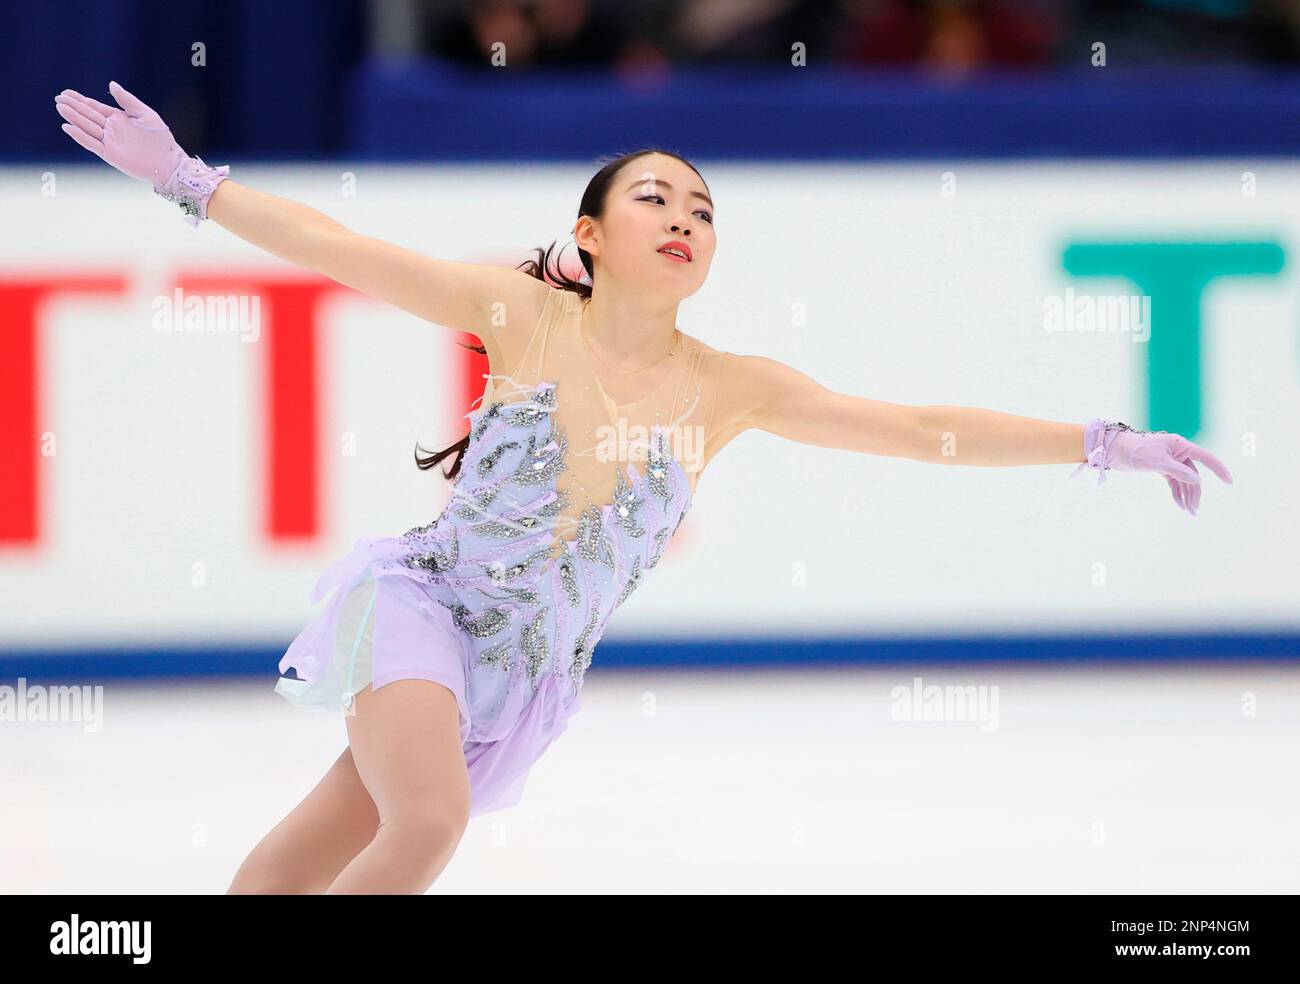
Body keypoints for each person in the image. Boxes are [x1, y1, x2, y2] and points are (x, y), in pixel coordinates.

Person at [54, 81, 1233, 894]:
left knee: (304, 859)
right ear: (594, 232)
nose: (684, 218)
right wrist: (194, 184)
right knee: (425, 824)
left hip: (520, 683)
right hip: (424, 612)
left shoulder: (731, 388)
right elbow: (349, 252)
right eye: (655, 198)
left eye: (704, 209)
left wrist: (1097, 440)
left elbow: (920, 428)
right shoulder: (519, 313)